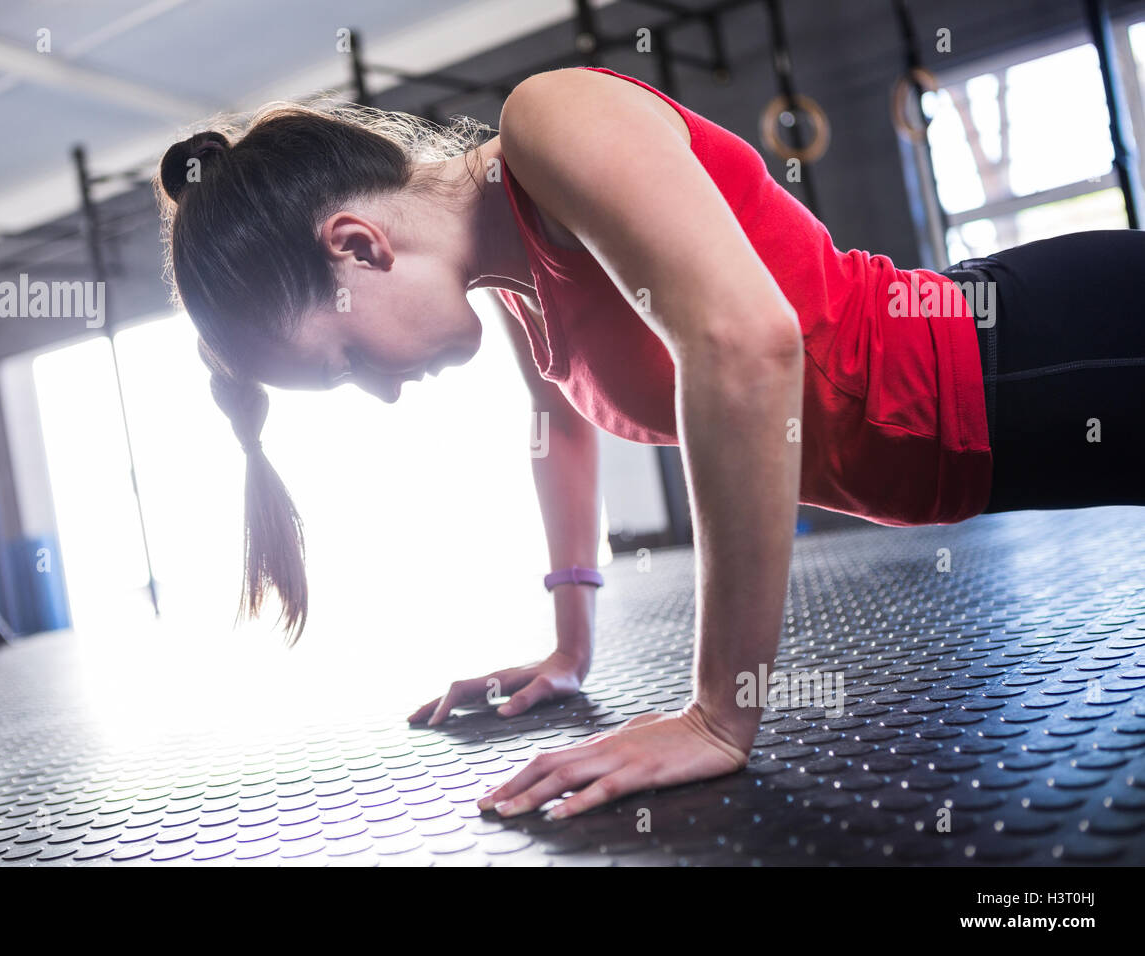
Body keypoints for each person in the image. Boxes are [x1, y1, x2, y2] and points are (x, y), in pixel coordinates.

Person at [155, 65, 1145, 822]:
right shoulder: (505, 272)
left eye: (340, 362)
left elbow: (745, 342)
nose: (372, 391)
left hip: (1037, 358)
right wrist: (570, 644)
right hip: (986, 438)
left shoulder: (551, 118)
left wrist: (718, 713)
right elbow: (561, 428)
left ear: (356, 246)